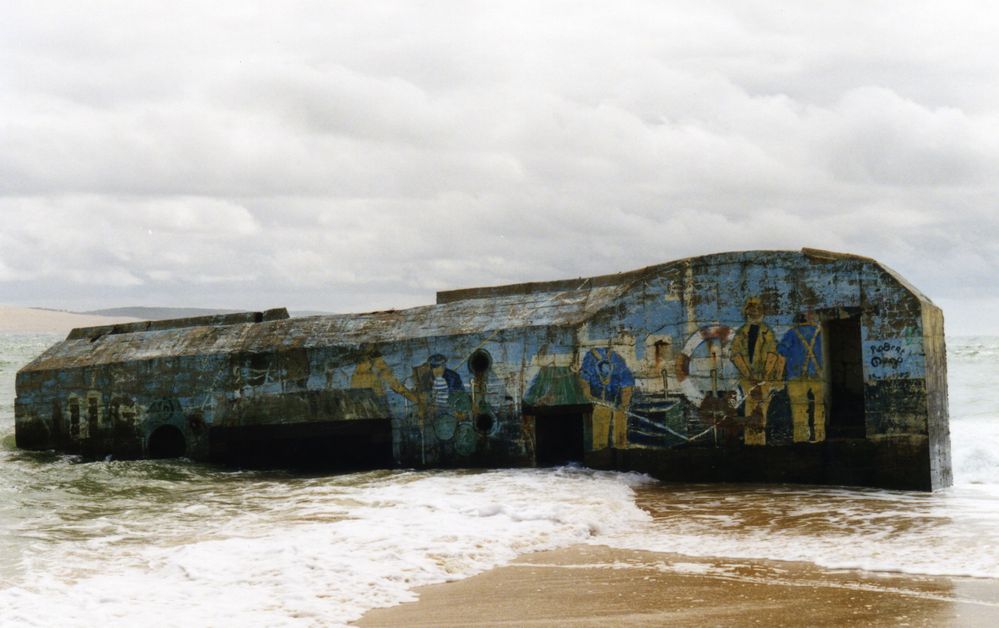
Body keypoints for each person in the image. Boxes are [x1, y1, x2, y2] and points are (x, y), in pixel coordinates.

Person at [730, 297, 781, 446]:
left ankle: (760, 443)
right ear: (747, 311)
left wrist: (764, 376)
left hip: (764, 379)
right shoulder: (741, 333)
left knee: (761, 411)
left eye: (758, 308)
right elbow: (735, 354)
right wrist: (748, 375)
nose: (755, 311)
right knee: (750, 409)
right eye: (752, 308)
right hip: (747, 380)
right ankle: (751, 443)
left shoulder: (767, 332)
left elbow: (772, 354)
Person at [778, 313, 825, 443]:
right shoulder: (819, 332)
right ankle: (820, 436)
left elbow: (781, 351)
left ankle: (801, 438)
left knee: (798, 408)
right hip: (818, 375)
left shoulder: (791, 333)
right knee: (820, 406)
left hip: (796, 376)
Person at [580, 344, 634, 450]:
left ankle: (619, 447)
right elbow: (584, 380)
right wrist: (589, 396)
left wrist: (624, 403)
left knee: (620, 421)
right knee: (602, 416)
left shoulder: (617, 359)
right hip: (600, 401)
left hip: (618, 399)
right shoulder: (590, 358)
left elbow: (627, 382)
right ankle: (602, 448)